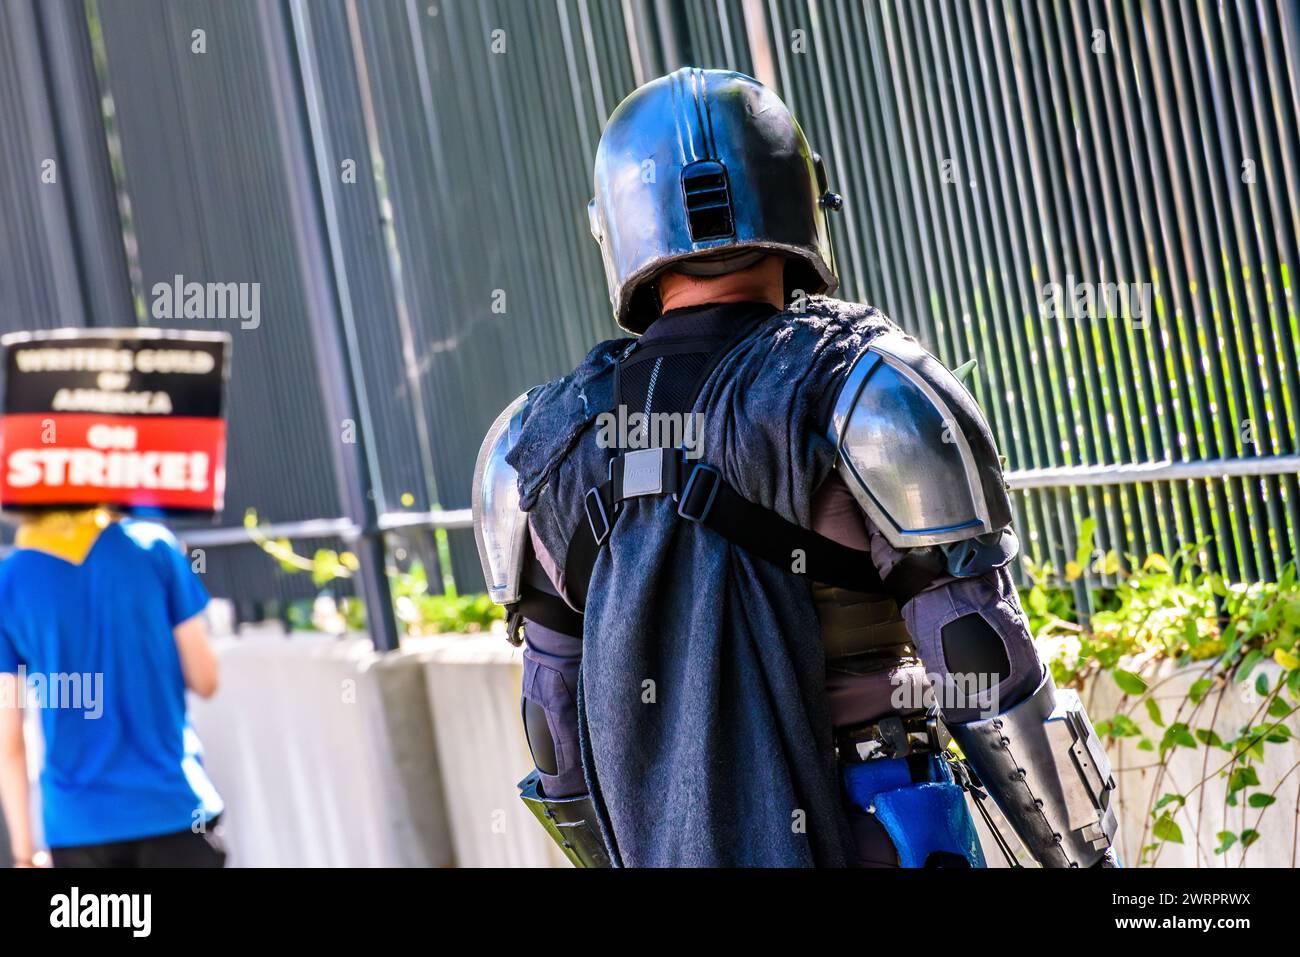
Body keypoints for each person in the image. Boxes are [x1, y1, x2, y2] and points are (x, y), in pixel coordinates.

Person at [473, 68, 1119, 867]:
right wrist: (1091, 861)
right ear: (799, 202)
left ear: (620, 232)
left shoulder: (545, 446)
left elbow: (556, 738)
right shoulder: (860, 387)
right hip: (876, 835)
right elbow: (982, 664)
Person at [0, 507, 225, 868]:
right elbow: (206, 679)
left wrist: (24, 853)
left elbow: (9, 737)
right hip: (174, 812)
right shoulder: (153, 547)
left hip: (77, 830)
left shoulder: (9, 580)